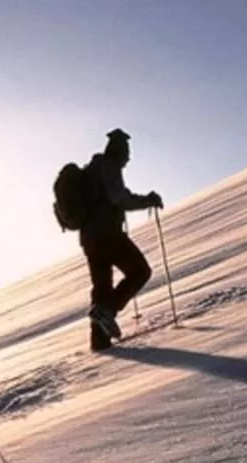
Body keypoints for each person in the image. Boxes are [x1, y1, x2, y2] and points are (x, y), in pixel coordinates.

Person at [80, 128, 164, 350]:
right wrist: (148, 200)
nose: (128, 159)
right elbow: (119, 198)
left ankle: (99, 342)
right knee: (140, 271)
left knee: (102, 287)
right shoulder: (108, 167)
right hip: (107, 234)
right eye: (127, 153)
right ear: (119, 151)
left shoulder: (92, 170)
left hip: (89, 239)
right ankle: (108, 311)